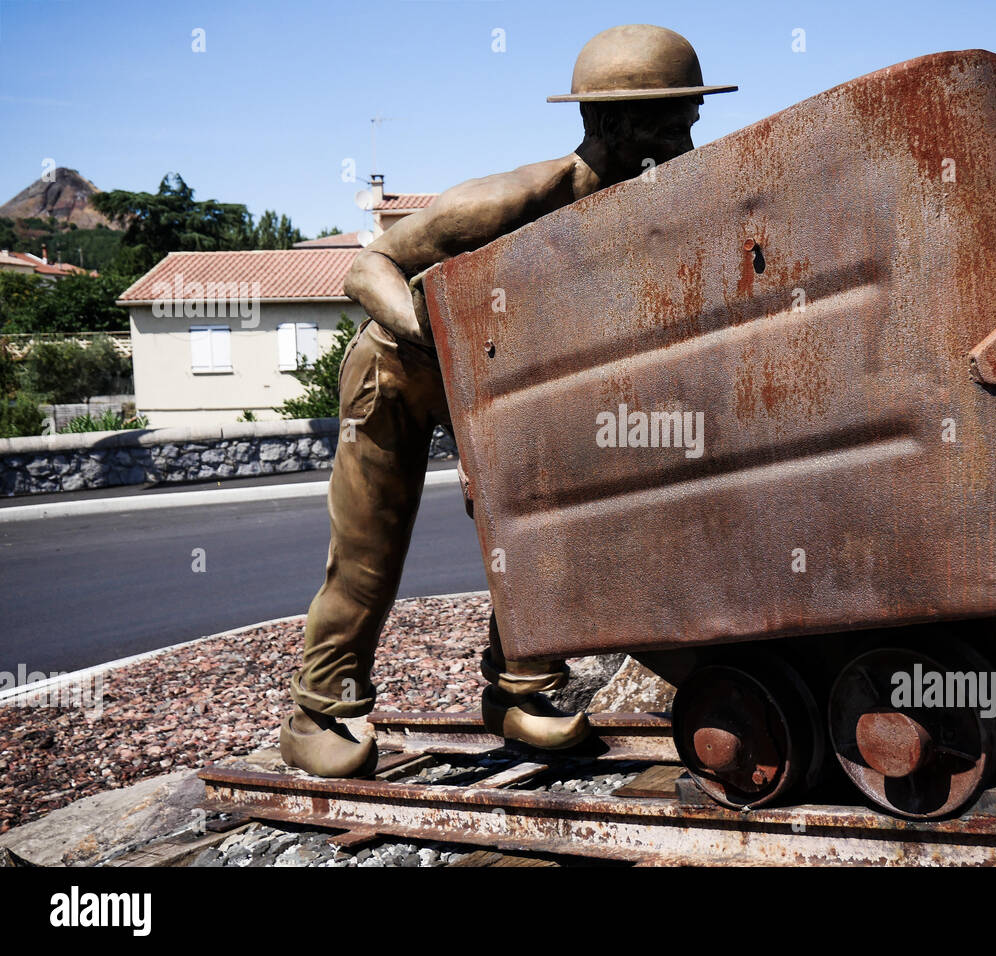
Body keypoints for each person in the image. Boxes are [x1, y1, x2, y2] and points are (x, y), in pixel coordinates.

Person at [279, 24, 737, 777]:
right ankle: (318, 711)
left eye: (689, 119)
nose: (686, 139)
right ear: (606, 124)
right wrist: (433, 335)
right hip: (396, 372)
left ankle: (519, 694)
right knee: (368, 556)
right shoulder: (514, 199)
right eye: (669, 123)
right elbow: (368, 268)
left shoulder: (653, 203)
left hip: (503, 387)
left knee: (538, 534)